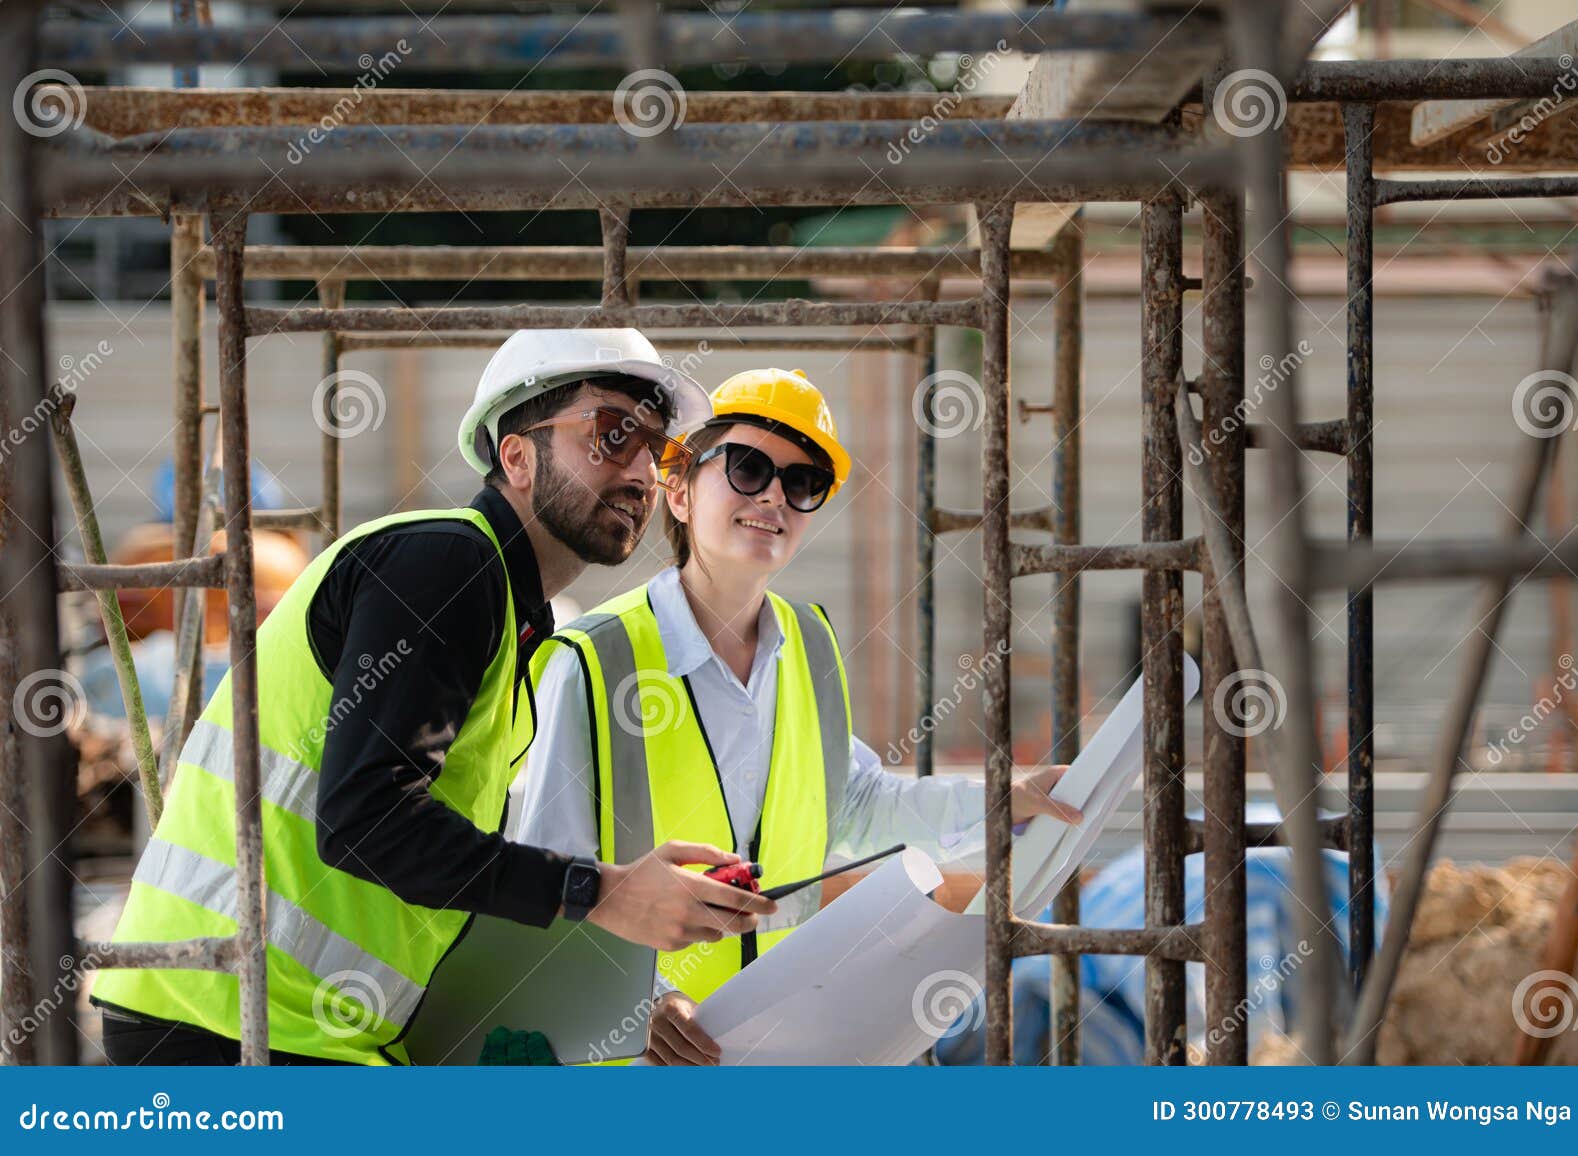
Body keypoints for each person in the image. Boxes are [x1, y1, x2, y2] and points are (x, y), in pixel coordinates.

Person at [91, 330, 777, 1066]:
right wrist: (601, 891)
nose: (642, 470)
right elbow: (366, 820)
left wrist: (617, 979)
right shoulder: (446, 563)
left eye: (659, 449)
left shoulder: (512, 619)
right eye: (612, 434)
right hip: (225, 1026)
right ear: (516, 456)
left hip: (296, 1027)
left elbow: (442, 858)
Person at [516, 367, 1081, 1066]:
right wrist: (648, 1001)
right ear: (681, 490)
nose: (775, 497)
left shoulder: (807, 646)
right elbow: (541, 876)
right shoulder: (593, 660)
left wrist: (1006, 802)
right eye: (748, 469)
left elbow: (859, 804)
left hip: (779, 1047)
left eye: (803, 481)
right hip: (636, 1060)